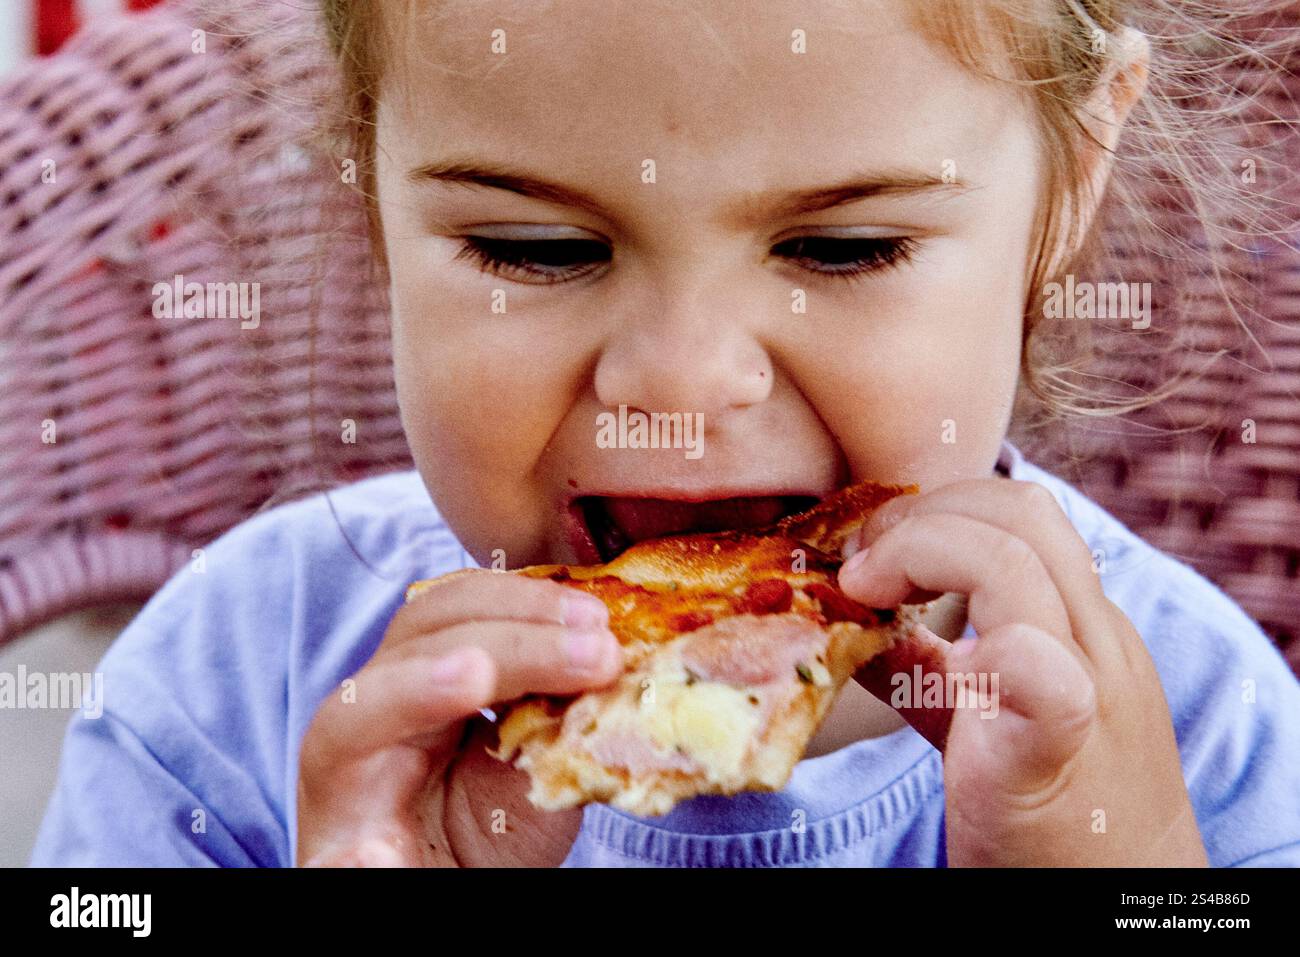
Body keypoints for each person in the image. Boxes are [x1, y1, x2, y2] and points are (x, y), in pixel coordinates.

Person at [31, 0, 1300, 867]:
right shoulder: (218, 697)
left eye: (841, 248)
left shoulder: (1196, 727)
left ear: (1071, 179)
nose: (681, 382)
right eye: (536, 249)